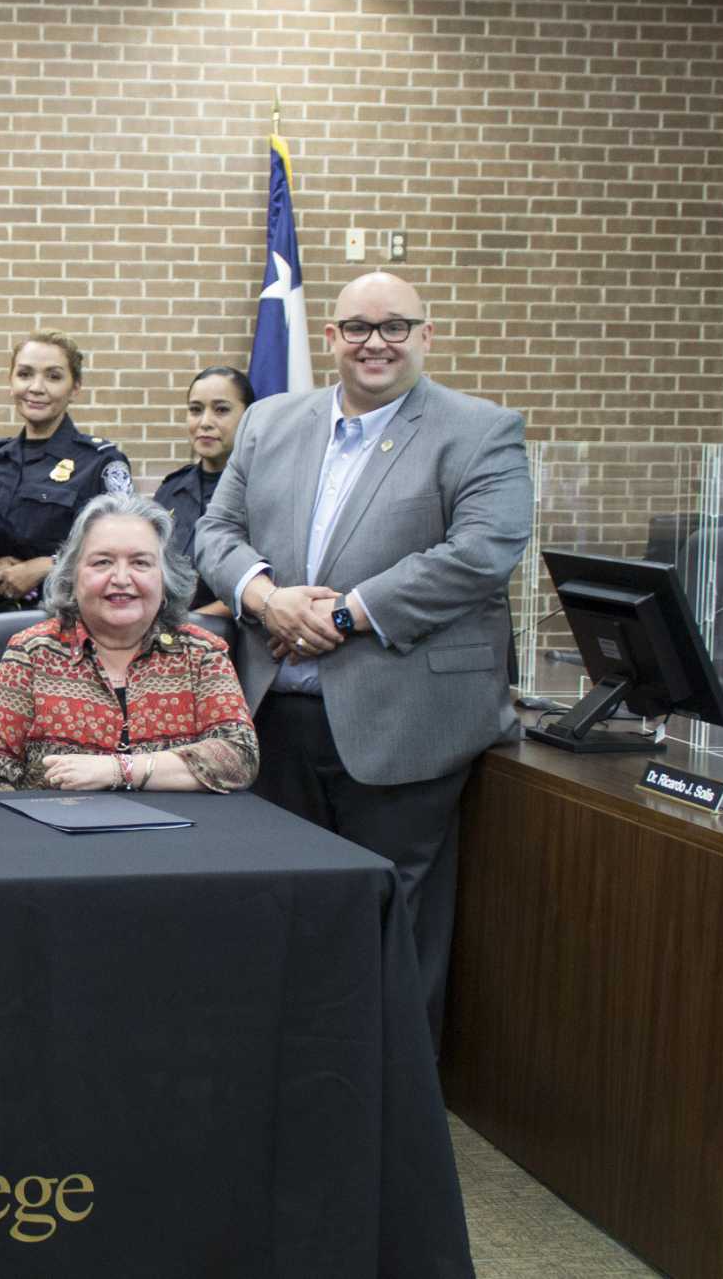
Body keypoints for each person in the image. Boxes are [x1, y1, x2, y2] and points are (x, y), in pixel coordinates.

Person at [193, 271, 531, 1045]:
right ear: (331, 337)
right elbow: (215, 531)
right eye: (356, 327)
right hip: (273, 714)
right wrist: (266, 598)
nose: (374, 342)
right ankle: (295, 1082)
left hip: (403, 719)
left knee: (390, 921)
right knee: (283, 912)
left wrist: (343, 614)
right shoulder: (270, 421)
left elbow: (481, 553)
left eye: (394, 326)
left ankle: (392, 1093)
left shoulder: (481, 430)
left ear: (425, 335)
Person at [0, 494, 258, 793]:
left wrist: (119, 769)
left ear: (166, 577)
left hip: (175, 823)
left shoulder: (202, 652)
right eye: (102, 562)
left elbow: (239, 758)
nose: (121, 578)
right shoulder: (31, 652)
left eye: (140, 562)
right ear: (72, 575)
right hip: (54, 822)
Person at [0, 330, 134, 609]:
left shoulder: (100, 463)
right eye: (25, 374)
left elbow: (125, 544)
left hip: (63, 616)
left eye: (53, 377)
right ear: (11, 382)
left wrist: (48, 565)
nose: (36, 387)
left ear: (75, 388)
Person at [153, 365, 255, 613]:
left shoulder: (261, 491)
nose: (205, 422)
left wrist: (187, 624)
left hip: (232, 632)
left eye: (221, 410)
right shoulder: (170, 490)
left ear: (249, 416)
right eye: (195, 410)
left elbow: (269, 580)